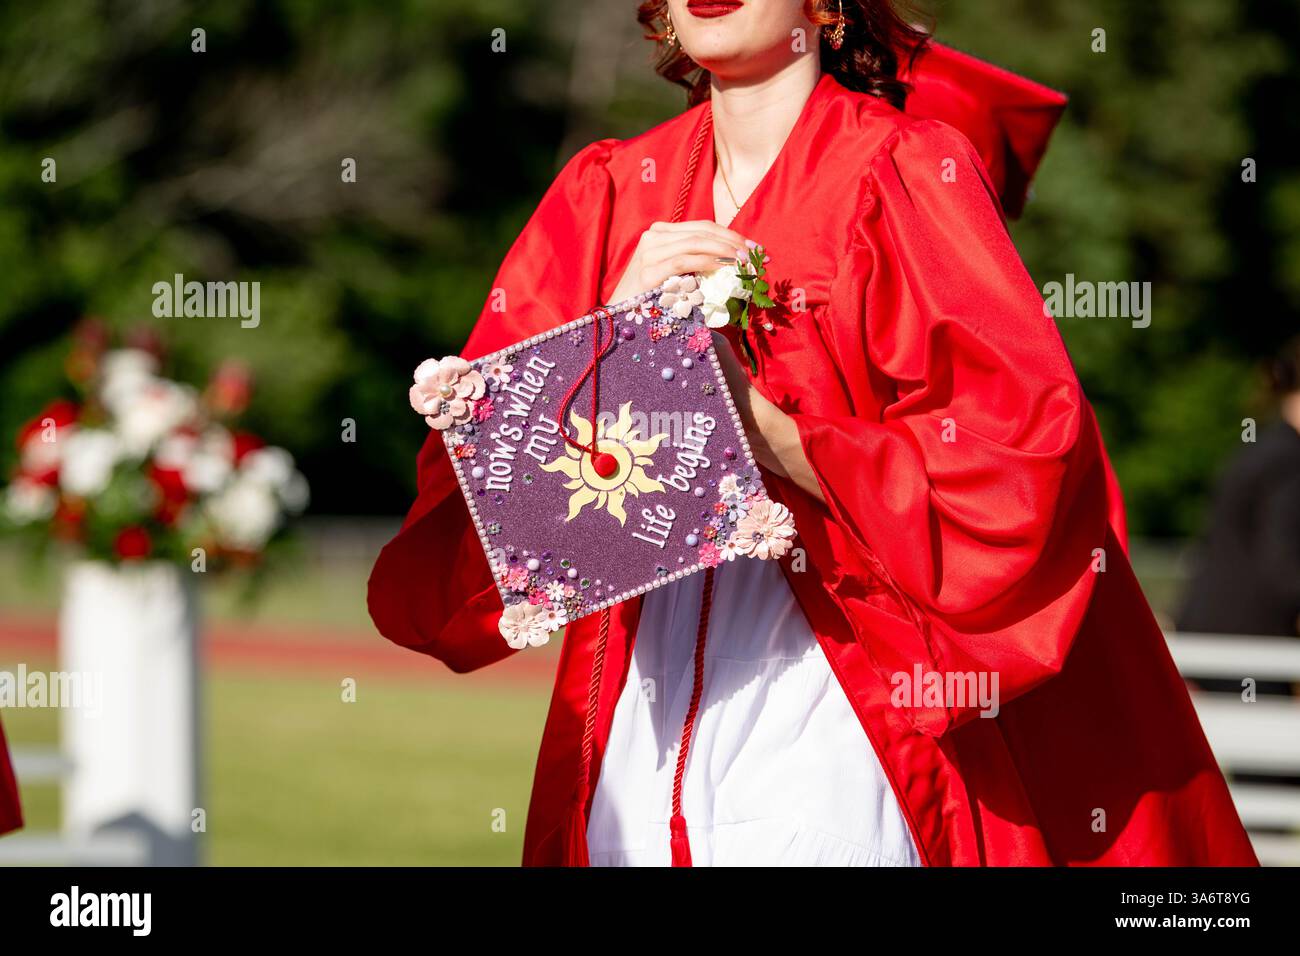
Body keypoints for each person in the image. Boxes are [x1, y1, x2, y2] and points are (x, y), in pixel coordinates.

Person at [369, 0, 1257, 866]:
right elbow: (506, 514)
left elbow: (1010, 456)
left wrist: (761, 426)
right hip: (630, 718)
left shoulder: (903, 170)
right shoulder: (602, 195)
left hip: (831, 698)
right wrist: (610, 339)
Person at [1177, 337, 1300, 692]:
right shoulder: (1289, 462)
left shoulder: (1265, 450)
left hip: (1212, 634)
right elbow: (1282, 563)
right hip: (1248, 649)